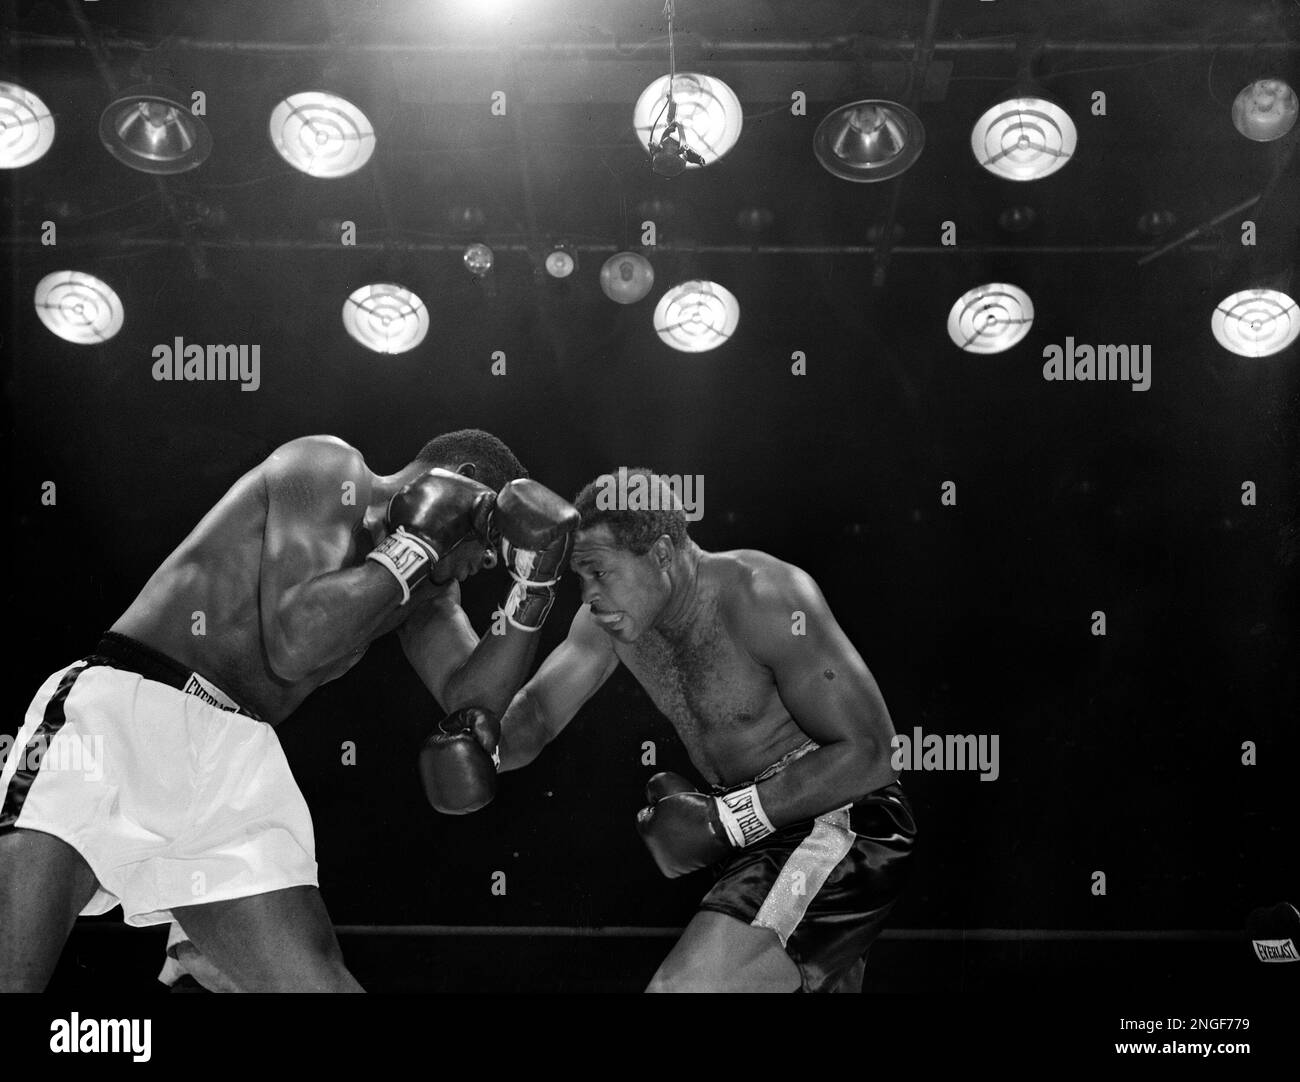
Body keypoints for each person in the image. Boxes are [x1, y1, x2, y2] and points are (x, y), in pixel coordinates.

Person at [0, 429, 577, 992]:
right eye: (492, 542)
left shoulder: (425, 594)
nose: (487, 565)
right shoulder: (328, 470)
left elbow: (469, 703)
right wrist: (415, 546)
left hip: (233, 757)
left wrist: (535, 586)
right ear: (463, 484)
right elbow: (294, 640)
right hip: (127, 712)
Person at [481, 467, 916, 992]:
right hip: (755, 837)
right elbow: (538, 714)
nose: (589, 594)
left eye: (599, 572)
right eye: (580, 576)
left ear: (662, 554)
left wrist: (725, 820)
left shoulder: (764, 595)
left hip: (836, 821)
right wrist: (483, 749)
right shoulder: (609, 623)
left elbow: (875, 752)